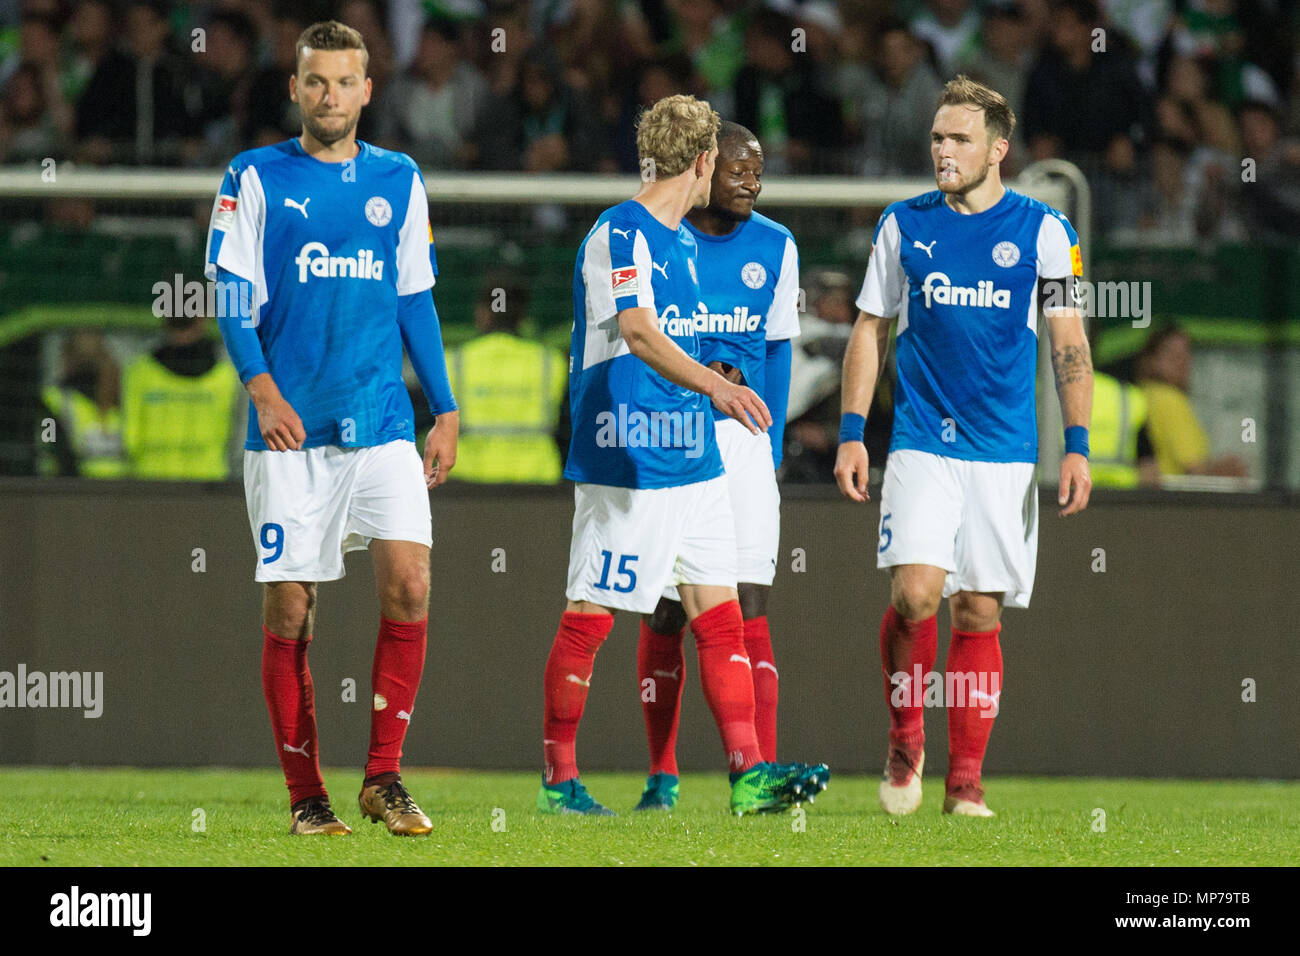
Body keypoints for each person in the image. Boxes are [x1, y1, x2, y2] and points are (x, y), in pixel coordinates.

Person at [539, 94, 827, 817]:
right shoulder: (621, 233)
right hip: (626, 453)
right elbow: (637, 332)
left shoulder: (679, 245)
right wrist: (717, 387)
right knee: (592, 613)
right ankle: (557, 780)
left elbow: (682, 341)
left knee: (718, 609)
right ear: (702, 163)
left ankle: (748, 775)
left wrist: (716, 387)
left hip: (692, 453)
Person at [205, 20, 459, 837]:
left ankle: (383, 776)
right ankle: (306, 796)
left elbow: (415, 297)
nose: (329, 96)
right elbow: (231, 296)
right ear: (295, 88)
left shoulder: (400, 178)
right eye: (316, 81)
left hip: (382, 422)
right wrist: (263, 391)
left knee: (411, 583)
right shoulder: (253, 177)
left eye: (344, 82)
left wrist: (445, 406)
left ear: (366, 91)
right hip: (289, 435)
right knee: (291, 609)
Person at [835, 76, 1094, 817]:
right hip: (921, 441)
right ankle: (905, 737)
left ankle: (966, 783)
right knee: (916, 594)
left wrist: (1075, 444)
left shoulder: (1046, 232)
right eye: (937, 139)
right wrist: (854, 433)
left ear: (998, 150)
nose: (943, 152)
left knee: (979, 611)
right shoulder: (902, 225)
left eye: (959, 140)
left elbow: (1068, 339)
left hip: (1006, 451)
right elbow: (868, 329)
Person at [634, 121, 800, 811]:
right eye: (739, 169)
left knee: (751, 600)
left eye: (759, 170)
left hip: (744, 444)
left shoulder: (777, 244)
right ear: (704, 168)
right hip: (677, 433)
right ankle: (663, 773)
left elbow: (781, 348)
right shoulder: (660, 238)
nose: (751, 181)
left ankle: (756, 774)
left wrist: (774, 445)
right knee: (670, 611)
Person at [445, 276, 567, 484]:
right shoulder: (552, 362)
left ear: (483, 313)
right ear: (523, 316)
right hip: (538, 481)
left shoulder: (452, 362)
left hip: (467, 483)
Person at [121, 313, 242, 481]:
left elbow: (129, 439)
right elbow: (238, 440)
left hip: (151, 483)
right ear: (203, 319)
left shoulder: (139, 372)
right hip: (207, 486)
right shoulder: (227, 374)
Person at [1135, 324, 1248, 478]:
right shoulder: (1168, 398)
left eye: (1186, 352)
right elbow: (1194, 469)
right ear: (1151, 359)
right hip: (1176, 497)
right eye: (1171, 354)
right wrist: (1224, 471)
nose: (1182, 361)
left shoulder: (1141, 394)